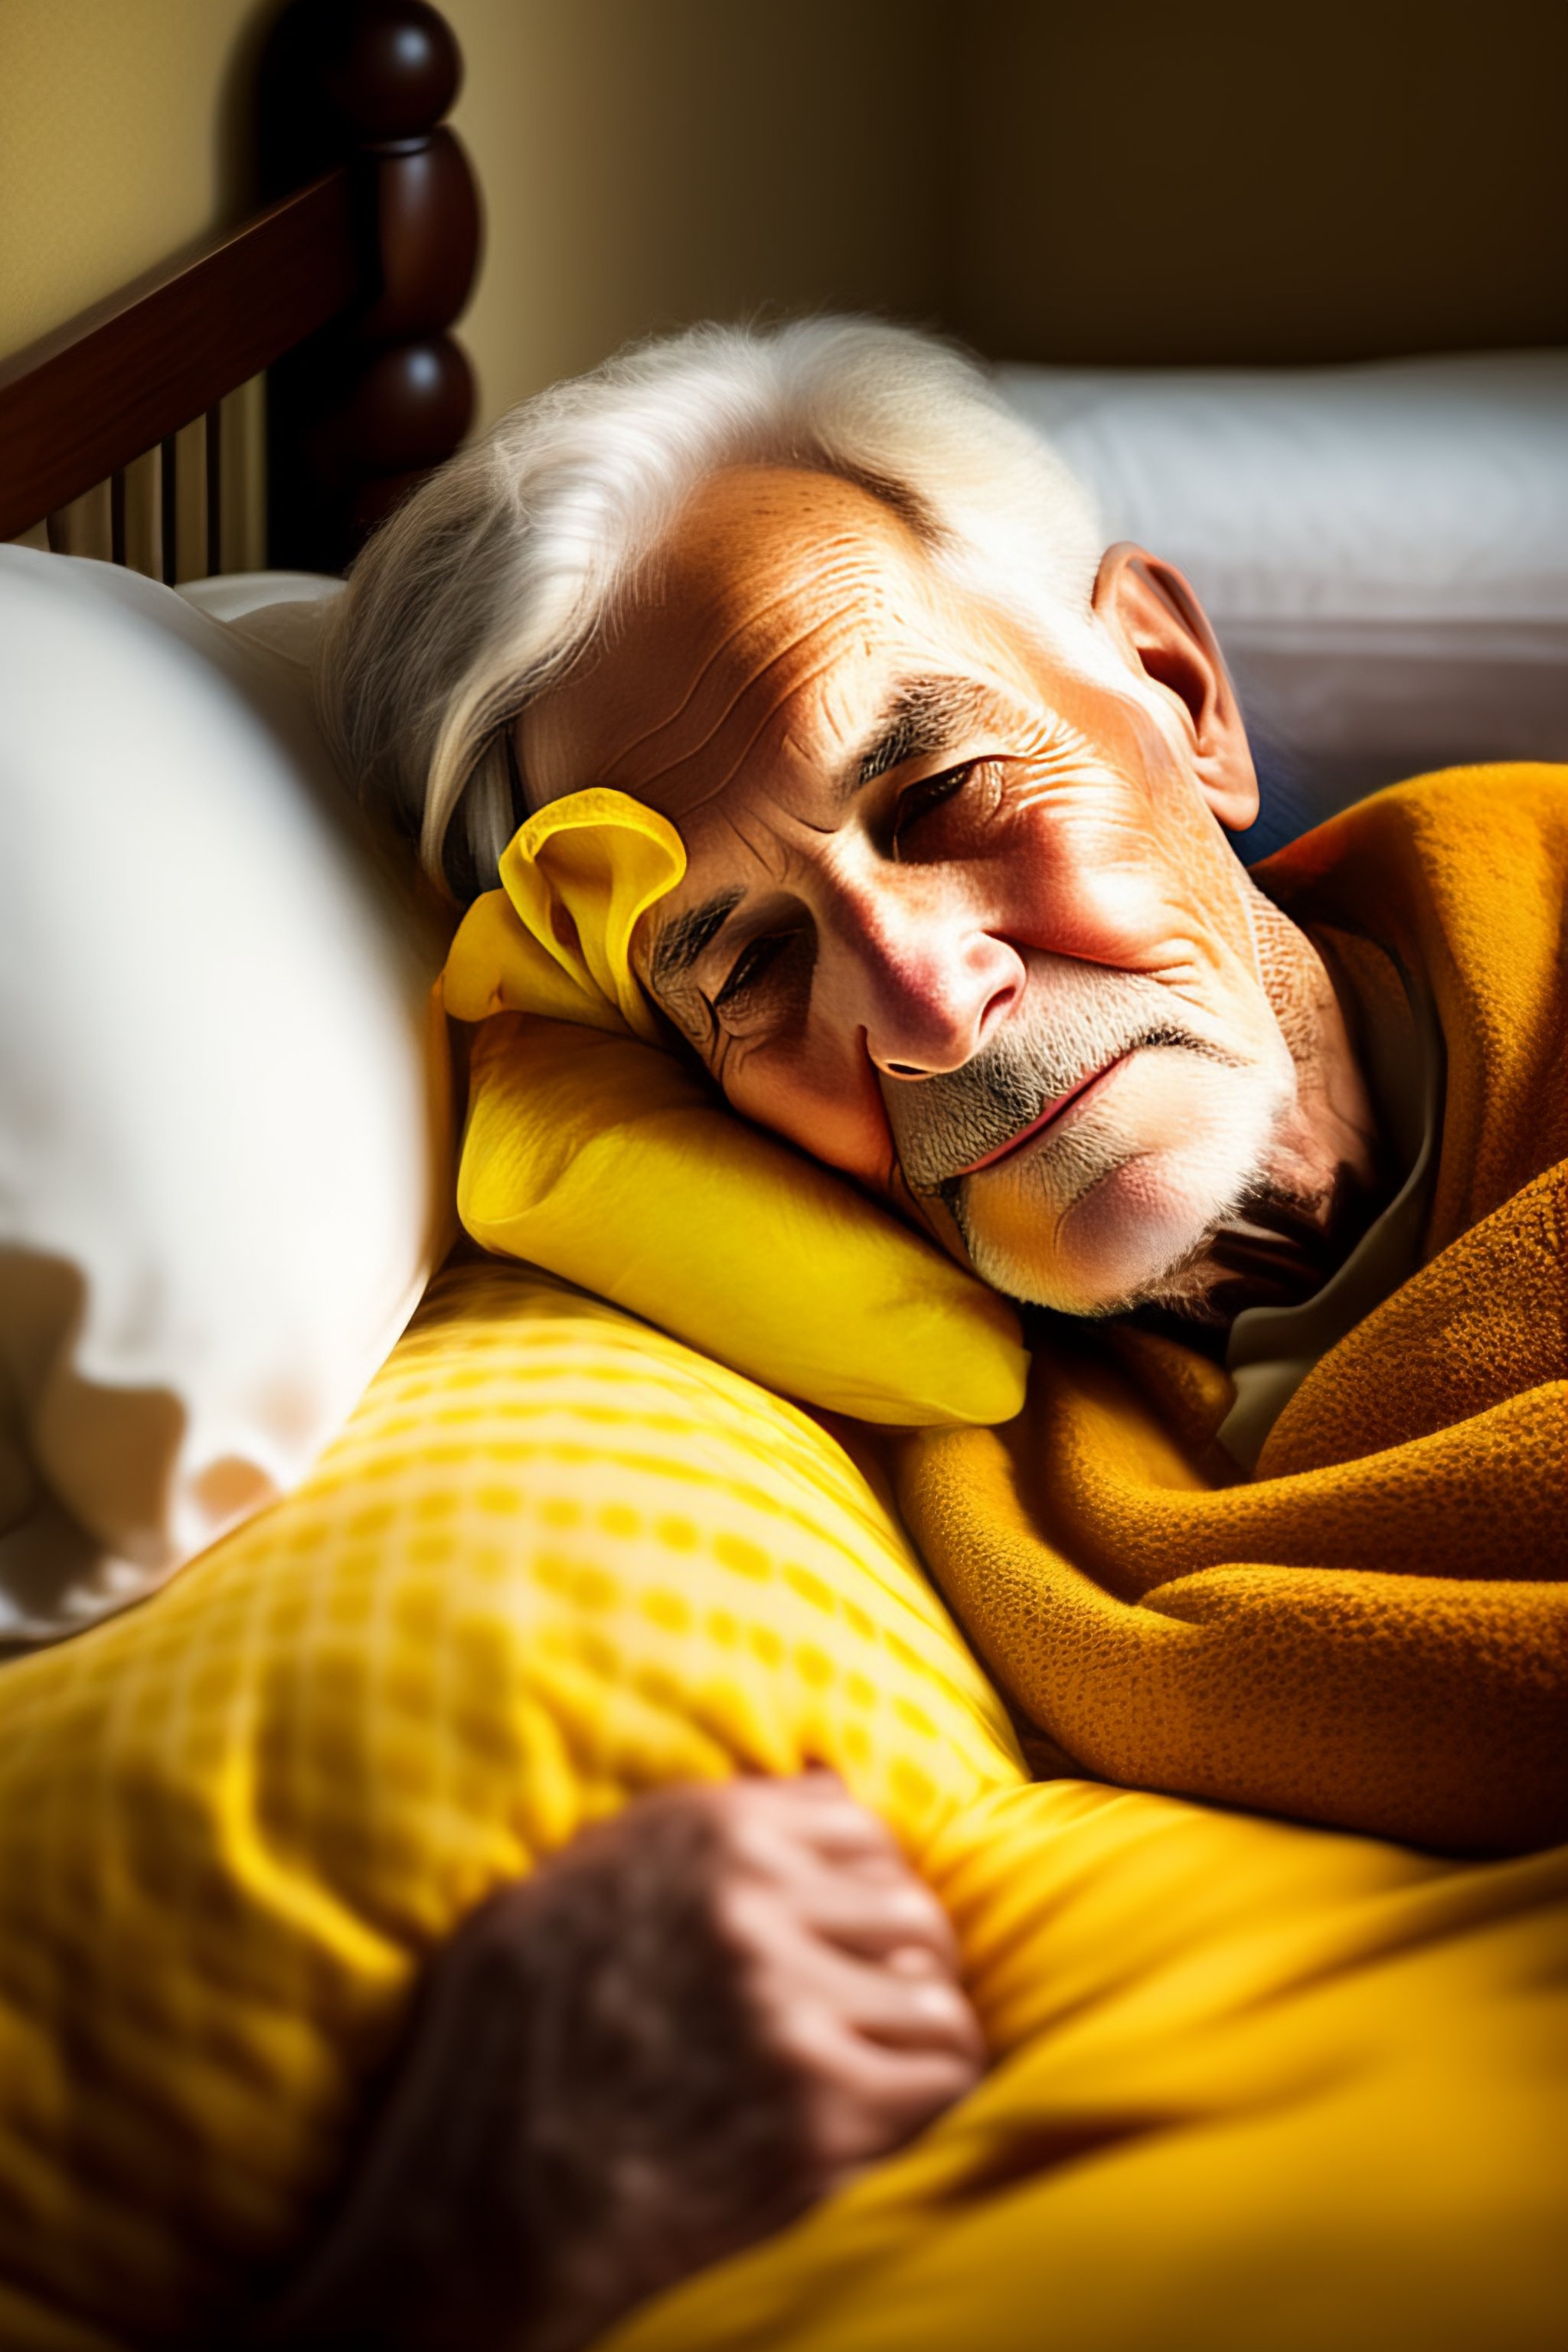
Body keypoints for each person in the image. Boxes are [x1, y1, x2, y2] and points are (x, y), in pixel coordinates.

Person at [276, 319, 1566, 2347]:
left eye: (939, 783)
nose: (919, 1000)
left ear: (1178, 691)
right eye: (744, 960)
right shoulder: (858, 1451)